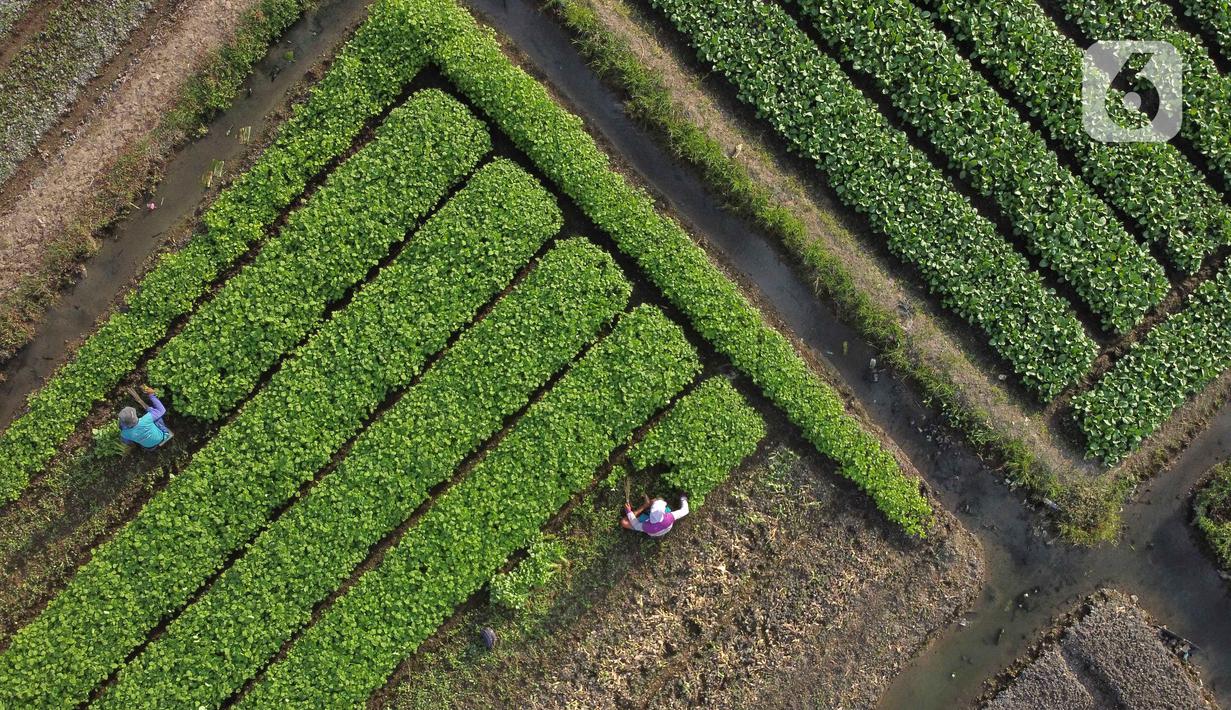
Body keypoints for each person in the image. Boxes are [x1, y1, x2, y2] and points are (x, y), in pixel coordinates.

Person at [621, 494, 689, 538]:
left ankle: (645, 505)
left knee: (624, 522)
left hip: (654, 531)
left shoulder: (647, 526)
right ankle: (648, 504)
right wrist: (683, 497)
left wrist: (629, 512)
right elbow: (685, 510)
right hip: (666, 526)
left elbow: (635, 525)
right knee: (657, 501)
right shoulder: (670, 516)